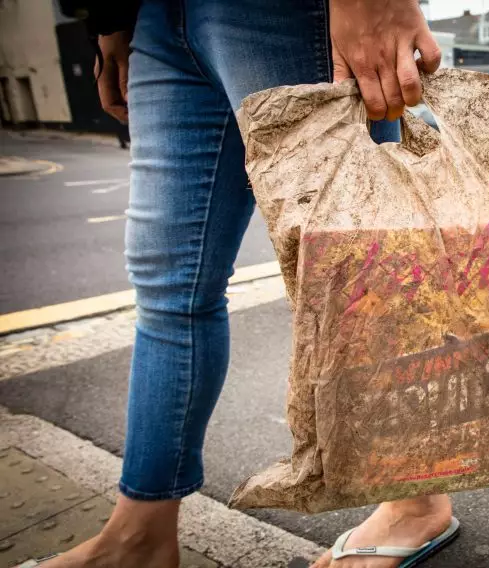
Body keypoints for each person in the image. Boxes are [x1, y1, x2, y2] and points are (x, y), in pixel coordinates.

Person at [41, 1, 452, 567]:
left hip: (285, 10)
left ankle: (417, 503)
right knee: (170, 290)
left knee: (359, 276)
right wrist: (109, 24)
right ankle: (139, 536)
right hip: (153, 19)